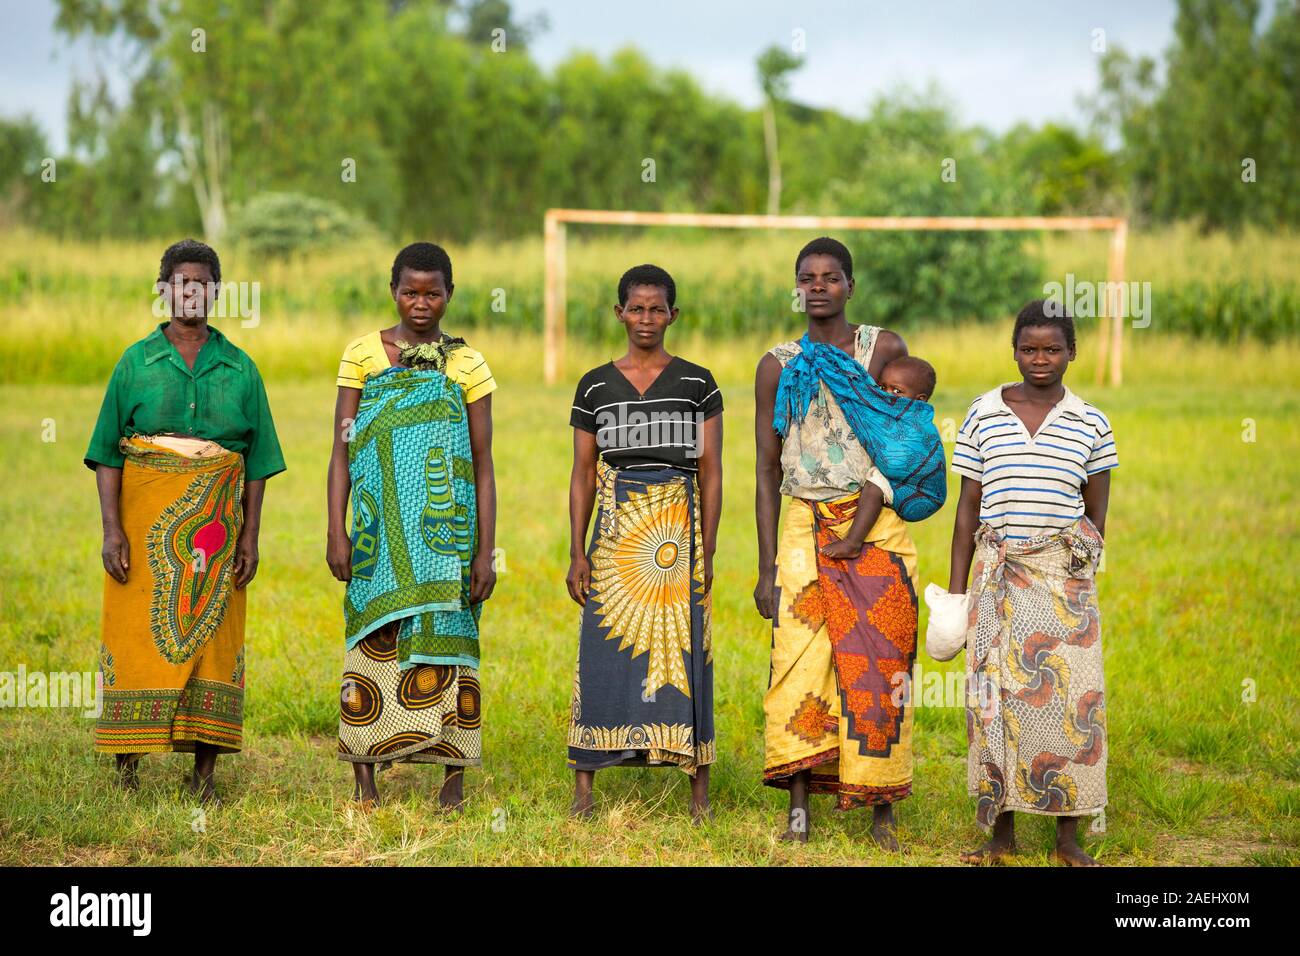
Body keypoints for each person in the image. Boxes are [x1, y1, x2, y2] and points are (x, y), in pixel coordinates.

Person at [85, 238, 285, 804]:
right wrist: (111, 528)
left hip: (217, 530)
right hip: (144, 526)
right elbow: (106, 452)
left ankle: (205, 774)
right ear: (164, 290)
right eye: (180, 282)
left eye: (201, 283)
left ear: (216, 292)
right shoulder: (135, 362)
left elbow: (259, 460)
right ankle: (127, 760)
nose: (190, 292)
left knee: (214, 641)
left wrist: (250, 534)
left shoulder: (240, 368)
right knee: (136, 636)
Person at [755, 236, 935, 850]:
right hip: (803, 523)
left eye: (832, 277)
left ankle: (881, 808)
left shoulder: (881, 348)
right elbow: (765, 468)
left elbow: (905, 433)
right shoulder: (777, 364)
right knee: (798, 661)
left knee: (881, 659)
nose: (819, 286)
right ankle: (800, 807)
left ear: (850, 286)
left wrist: (867, 515)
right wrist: (764, 566)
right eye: (808, 277)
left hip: (875, 521)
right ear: (796, 286)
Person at [327, 242, 497, 810]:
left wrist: (483, 553)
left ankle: (452, 780)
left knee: (452, 645)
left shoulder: (467, 363)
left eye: (433, 292)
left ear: (450, 294)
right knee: (370, 643)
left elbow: (482, 461)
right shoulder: (361, 354)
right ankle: (365, 777)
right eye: (409, 291)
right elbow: (341, 449)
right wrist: (337, 530)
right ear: (392, 290)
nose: (420, 303)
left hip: (446, 537)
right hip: (378, 535)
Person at [946, 299, 1116, 866]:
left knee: (1072, 701)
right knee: (996, 705)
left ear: (1071, 353)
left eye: (1051, 349)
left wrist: (1072, 571)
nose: (1039, 359)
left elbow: (1096, 514)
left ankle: (1069, 838)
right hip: (996, 578)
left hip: (1061, 582)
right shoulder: (983, 413)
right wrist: (956, 593)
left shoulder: (1091, 421)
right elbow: (968, 508)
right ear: (1013, 350)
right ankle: (1001, 835)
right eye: (1028, 349)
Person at [566, 264, 722, 823]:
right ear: (619, 313)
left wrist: (708, 547)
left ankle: (696, 787)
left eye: (658, 309)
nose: (646, 319)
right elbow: (584, 471)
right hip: (615, 523)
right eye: (636, 308)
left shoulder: (697, 382)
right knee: (603, 646)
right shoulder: (595, 385)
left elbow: (711, 471)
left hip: (679, 530)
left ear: (673, 316)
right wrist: (577, 551)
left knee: (684, 649)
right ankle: (585, 785)